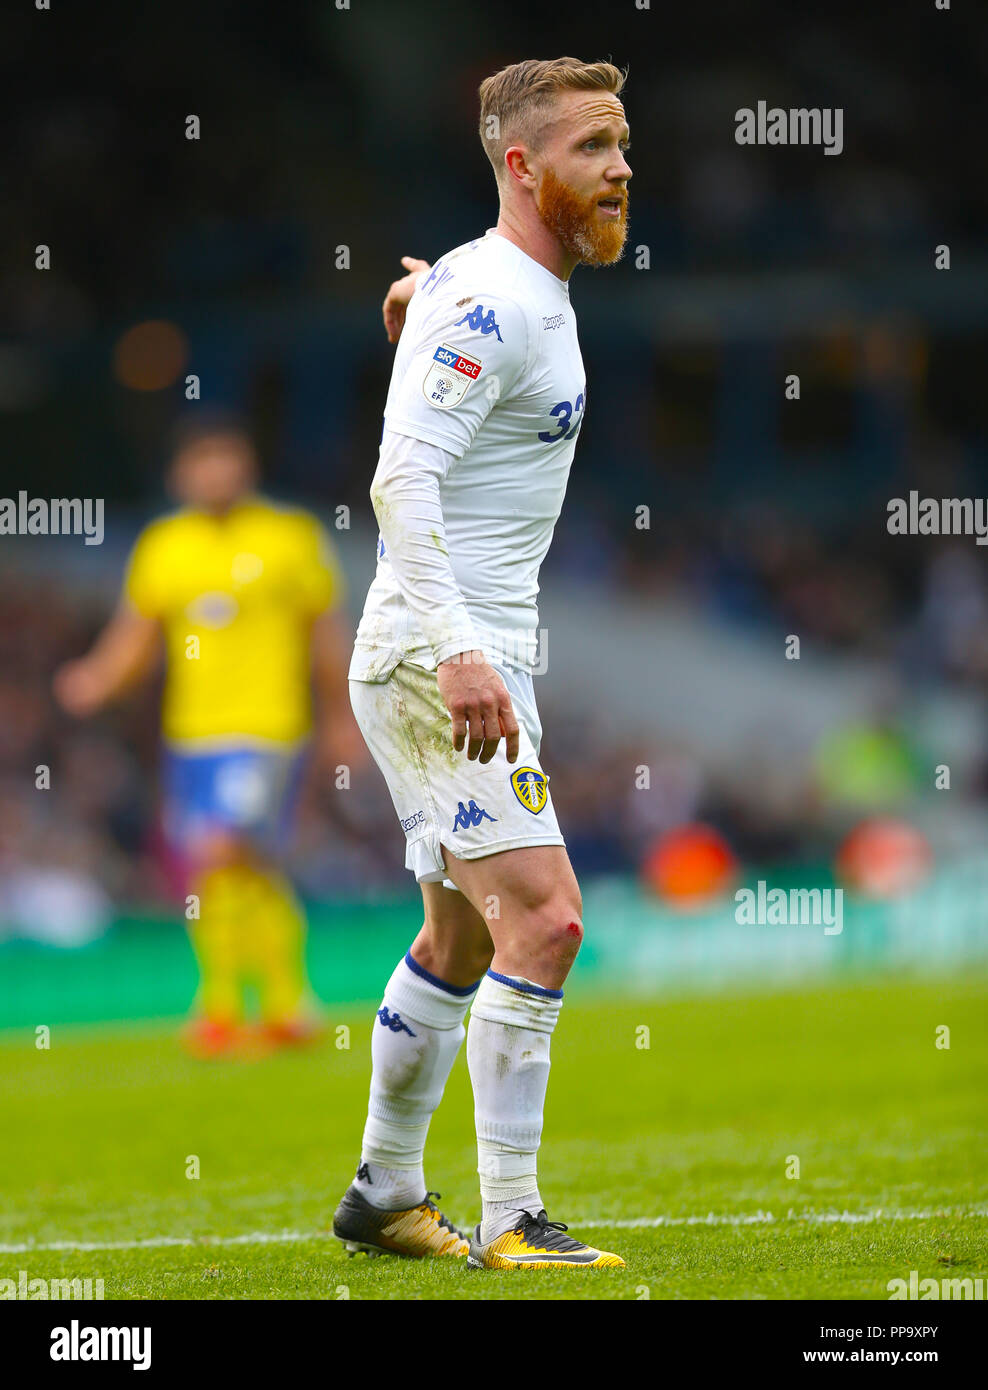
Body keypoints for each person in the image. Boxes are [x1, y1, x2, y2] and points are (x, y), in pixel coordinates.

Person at [332, 56, 631, 1268]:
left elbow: (449, 338)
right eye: (590, 151)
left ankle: (385, 1194)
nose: (619, 172)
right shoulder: (493, 298)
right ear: (521, 164)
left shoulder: (490, 283)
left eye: (621, 147)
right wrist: (458, 652)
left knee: (461, 939)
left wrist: (421, 316)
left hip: (461, 640)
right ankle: (512, 1216)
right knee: (547, 923)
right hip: (435, 649)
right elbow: (398, 480)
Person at [54, 415, 362, 1056]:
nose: (215, 471)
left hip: (266, 728)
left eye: (226, 456)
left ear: (246, 465)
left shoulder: (289, 537)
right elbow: (136, 634)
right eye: (202, 459)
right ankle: (284, 1004)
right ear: (179, 473)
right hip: (191, 735)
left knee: (220, 852)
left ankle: (222, 1005)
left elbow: (325, 634)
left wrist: (340, 718)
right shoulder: (165, 545)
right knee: (232, 869)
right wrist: (95, 679)